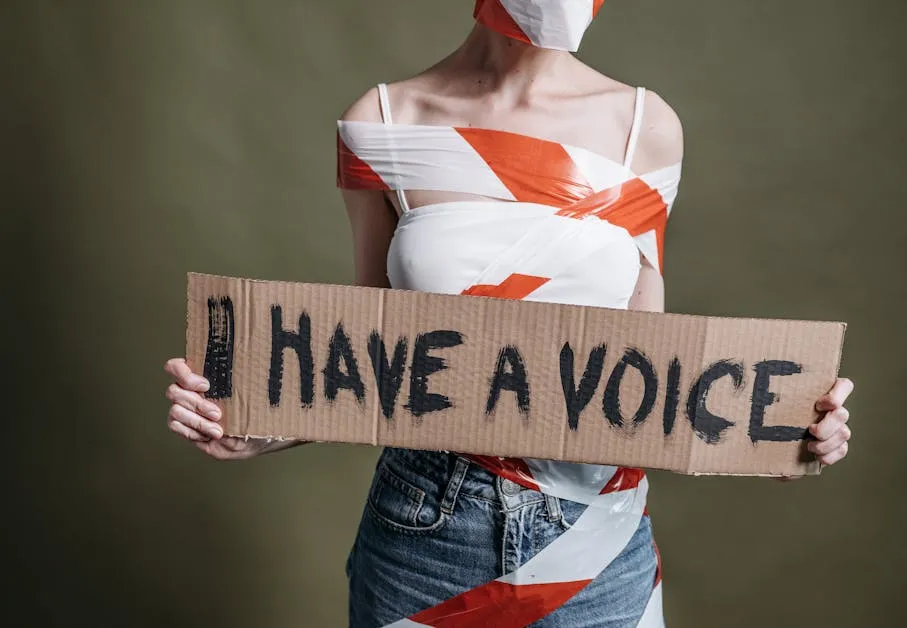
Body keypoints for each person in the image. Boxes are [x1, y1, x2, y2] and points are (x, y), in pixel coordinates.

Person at [163, 1, 854, 626]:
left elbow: (648, 367)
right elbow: (368, 351)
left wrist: (785, 428)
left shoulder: (644, 128)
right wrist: (258, 425)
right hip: (424, 527)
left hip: (595, 529)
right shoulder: (383, 119)